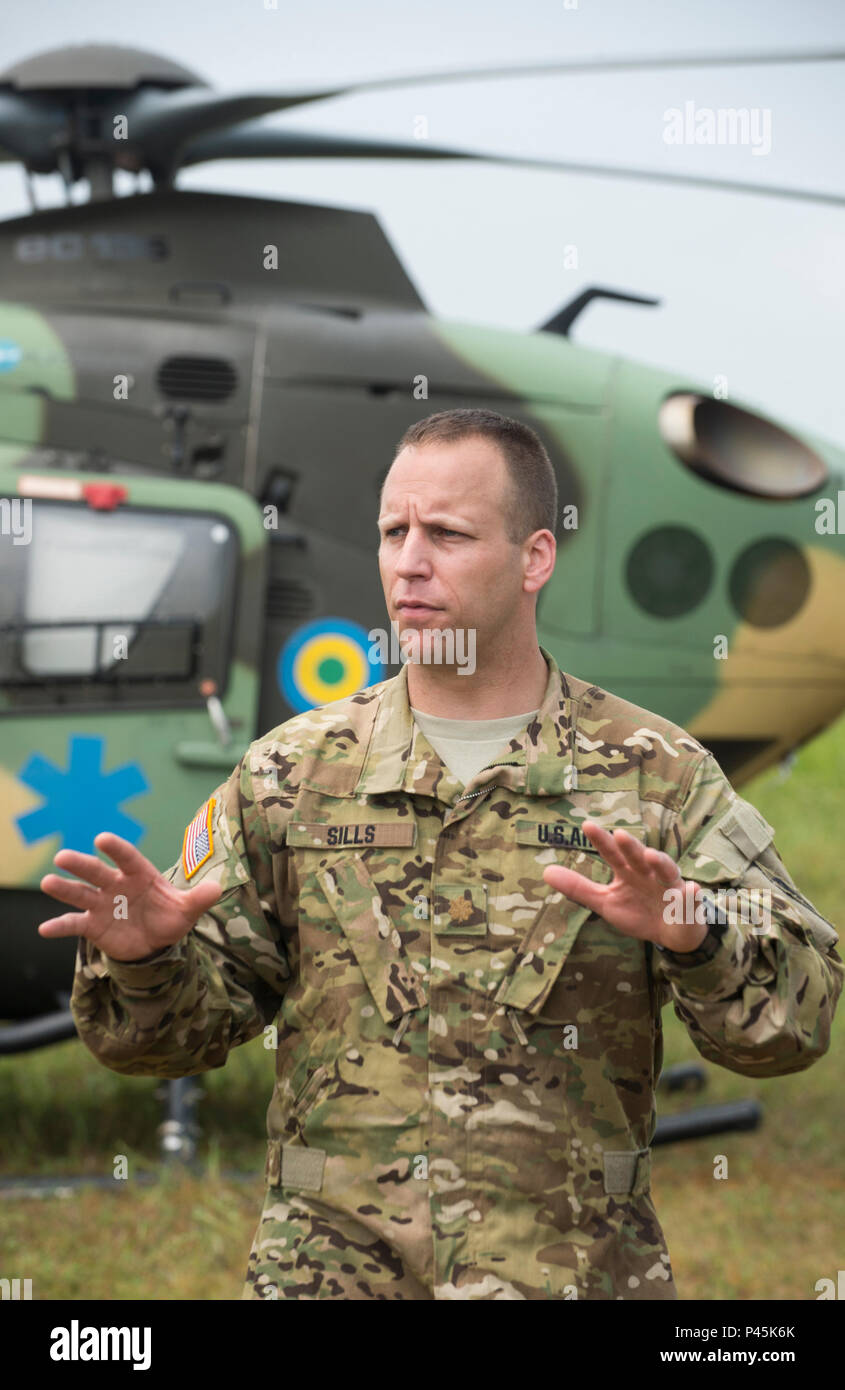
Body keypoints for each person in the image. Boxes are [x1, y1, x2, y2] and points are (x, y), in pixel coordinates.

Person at [40, 408, 842, 1301]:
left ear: (535, 557)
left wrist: (696, 935)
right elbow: (168, 1043)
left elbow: (793, 1027)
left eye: (448, 534)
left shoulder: (653, 776)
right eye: (393, 532)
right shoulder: (290, 775)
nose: (408, 562)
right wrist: (147, 958)